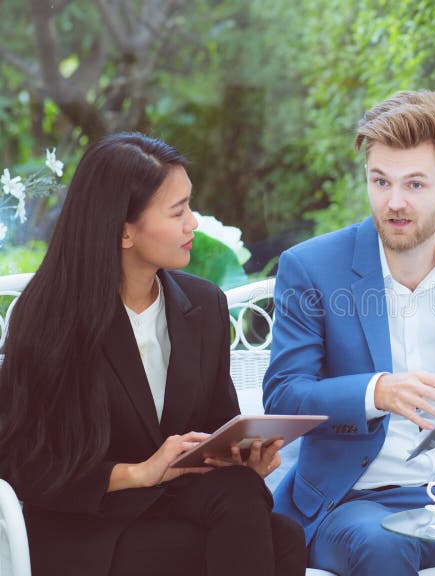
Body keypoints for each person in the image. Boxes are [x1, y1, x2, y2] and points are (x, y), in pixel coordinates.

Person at [263, 90, 435, 576]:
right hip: (353, 503)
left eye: (415, 184)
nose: (394, 202)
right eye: (381, 181)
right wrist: (377, 392)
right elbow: (284, 397)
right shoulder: (311, 267)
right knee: (386, 547)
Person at [0, 133, 306, 576]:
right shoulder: (50, 318)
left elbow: (217, 425)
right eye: (177, 212)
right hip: (86, 524)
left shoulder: (204, 305)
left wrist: (242, 456)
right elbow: (25, 465)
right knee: (261, 544)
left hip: (176, 502)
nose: (193, 223)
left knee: (271, 522)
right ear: (124, 230)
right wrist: (141, 472)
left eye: (189, 206)